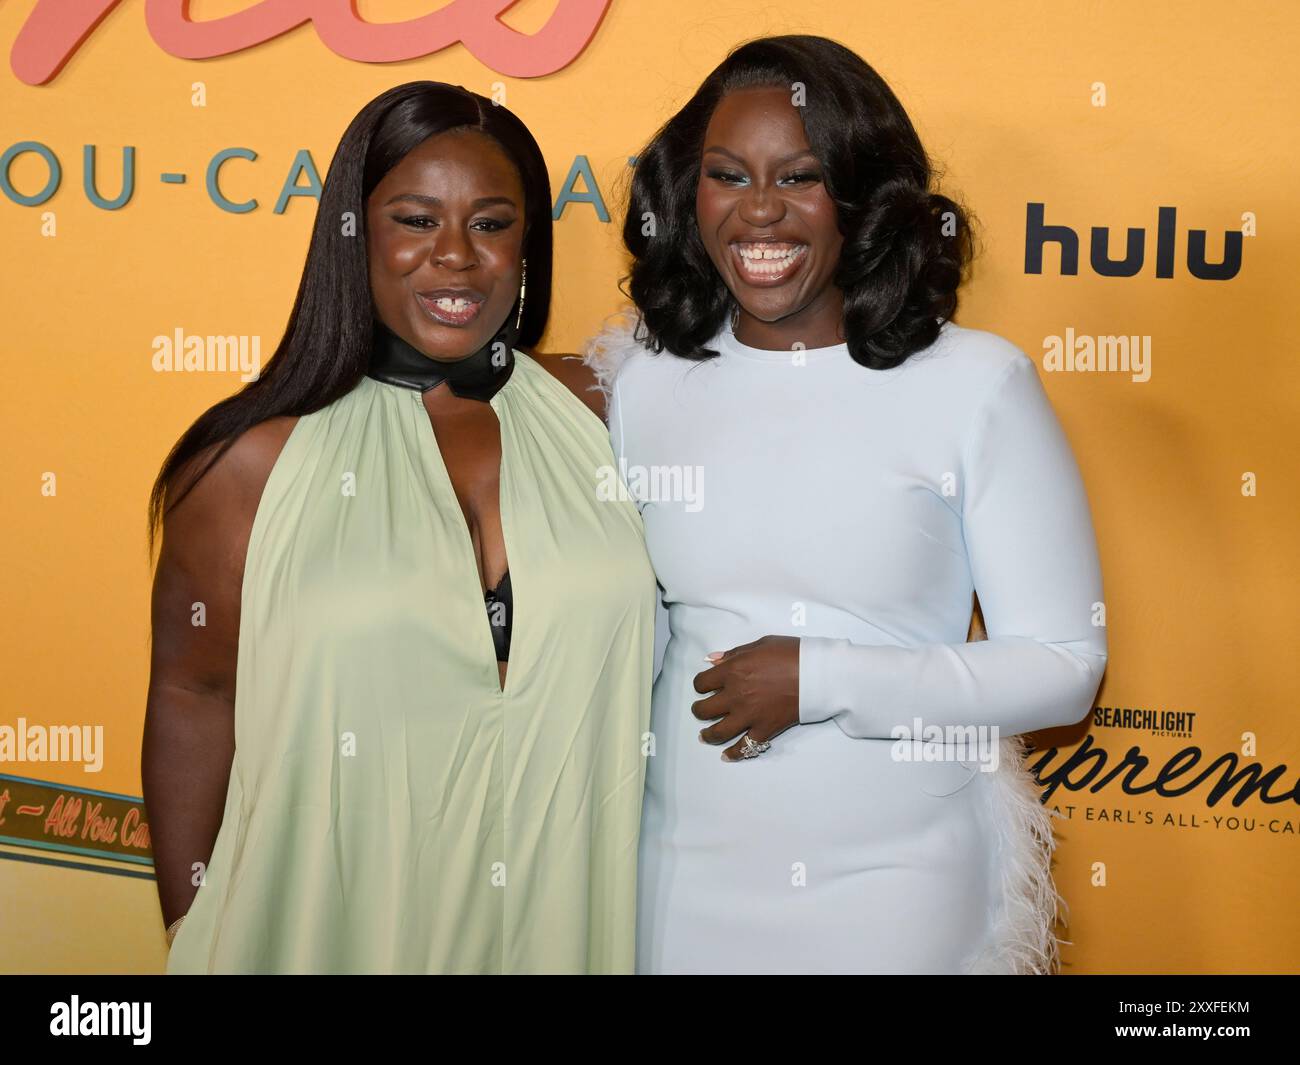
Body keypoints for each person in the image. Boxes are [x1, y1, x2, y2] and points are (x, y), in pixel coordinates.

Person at [584, 35, 1108, 974]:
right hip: (675, 890)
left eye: (803, 176)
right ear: (685, 192)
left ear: (865, 198)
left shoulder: (974, 384)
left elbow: (1066, 663)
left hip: (895, 895)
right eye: (727, 175)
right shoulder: (646, 383)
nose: (760, 211)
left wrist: (822, 678)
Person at [141, 81, 656, 974]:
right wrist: (193, 923)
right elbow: (196, 695)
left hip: (562, 926)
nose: (455, 256)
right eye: (416, 221)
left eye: (491, 225)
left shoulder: (605, 411)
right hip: (319, 934)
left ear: (526, 246)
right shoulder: (249, 461)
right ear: (354, 235)